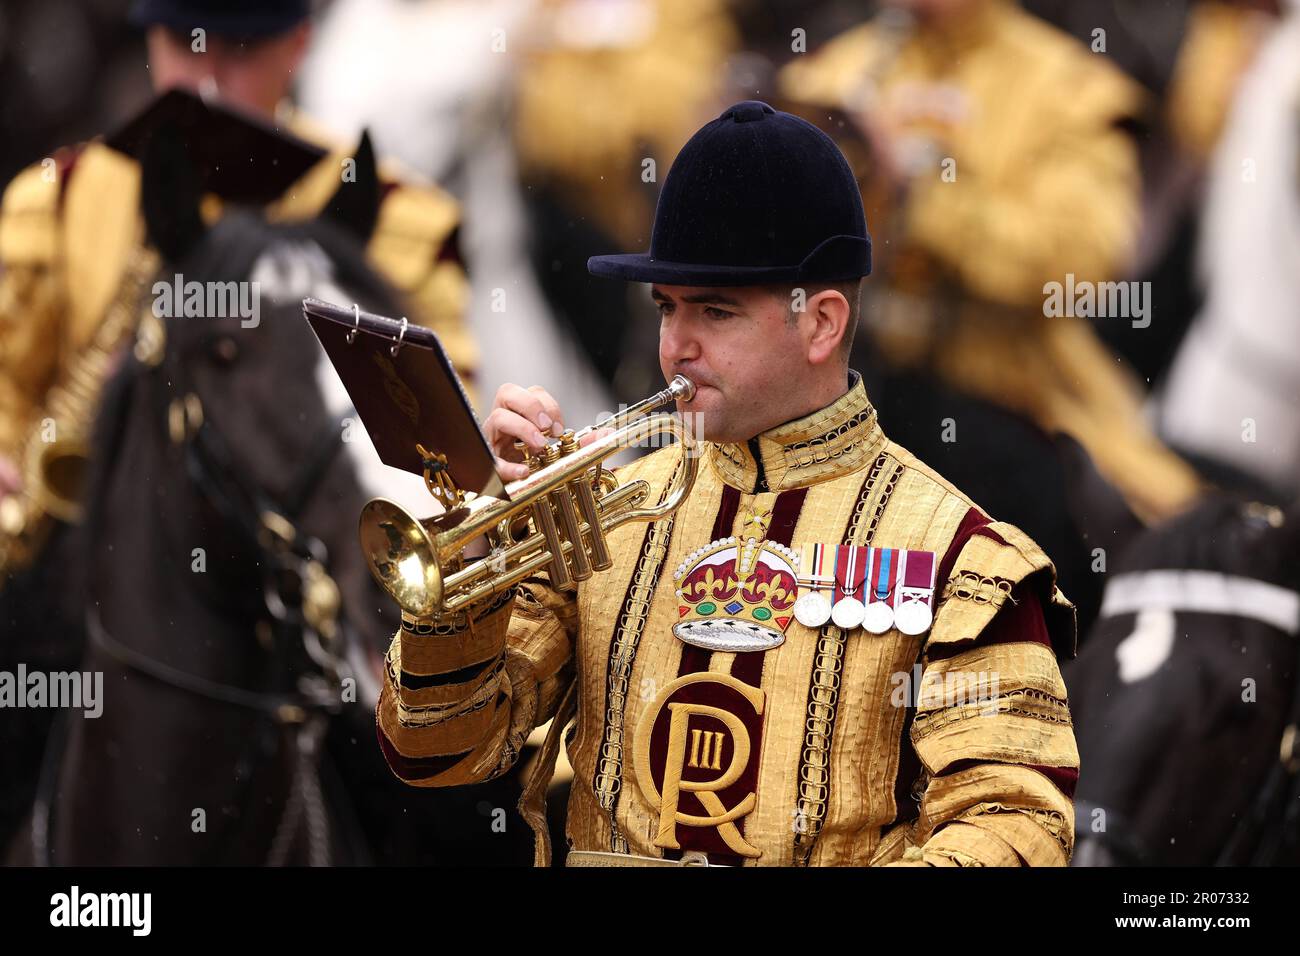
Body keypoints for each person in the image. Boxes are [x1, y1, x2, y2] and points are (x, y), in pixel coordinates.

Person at [375, 101, 1079, 867]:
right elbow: (435, 751)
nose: (676, 347)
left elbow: (1017, 825)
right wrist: (479, 565)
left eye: (716, 311)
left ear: (821, 323)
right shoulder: (608, 516)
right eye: (666, 308)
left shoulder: (966, 559)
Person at [0, 0, 475, 506]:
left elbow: (448, 459)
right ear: (152, 39)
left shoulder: (396, 217)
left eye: (241, 50)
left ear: (298, 46)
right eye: (186, 44)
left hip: (317, 553)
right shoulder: (57, 201)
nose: (207, 83)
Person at [777, 0, 1202, 525]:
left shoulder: (1064, 84)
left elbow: (1081, 268)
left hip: (1008, 404)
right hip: (839, 393)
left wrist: (921, 193)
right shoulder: (829, 76)